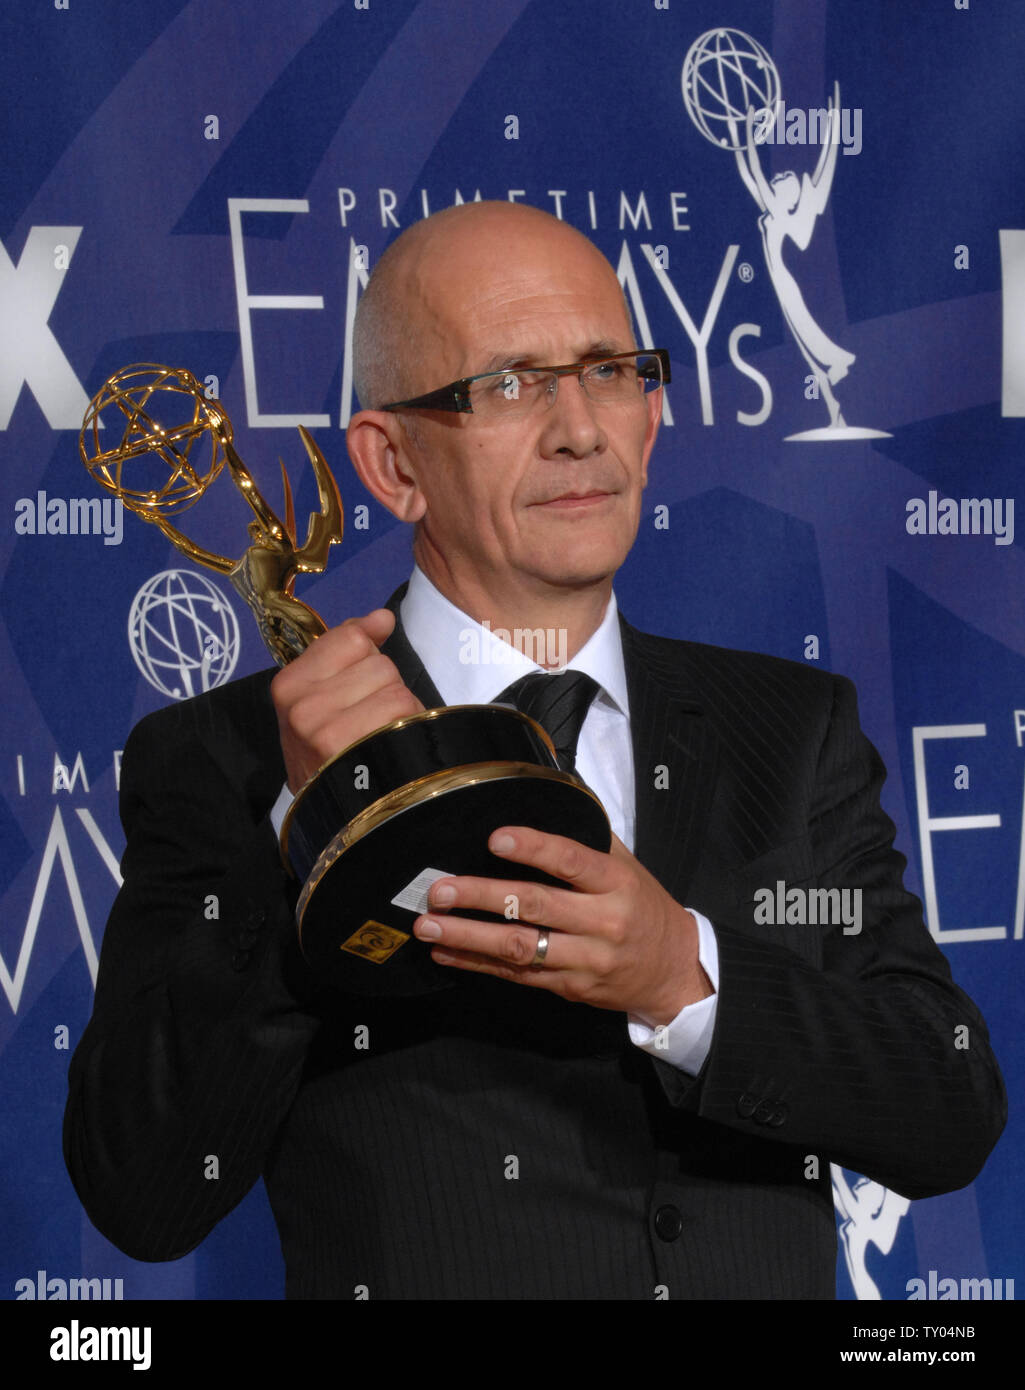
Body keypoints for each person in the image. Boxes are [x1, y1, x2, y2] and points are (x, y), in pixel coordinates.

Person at [64, 201, 1005, 1300]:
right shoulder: (229, 757)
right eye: (508, 383)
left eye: (610, 370)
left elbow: (947, 1108)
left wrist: (682, 978)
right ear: (392, 462)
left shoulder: (789, 728)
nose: (578, 427)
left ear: (651, 417)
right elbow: (142, 1192)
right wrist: (311, 838)